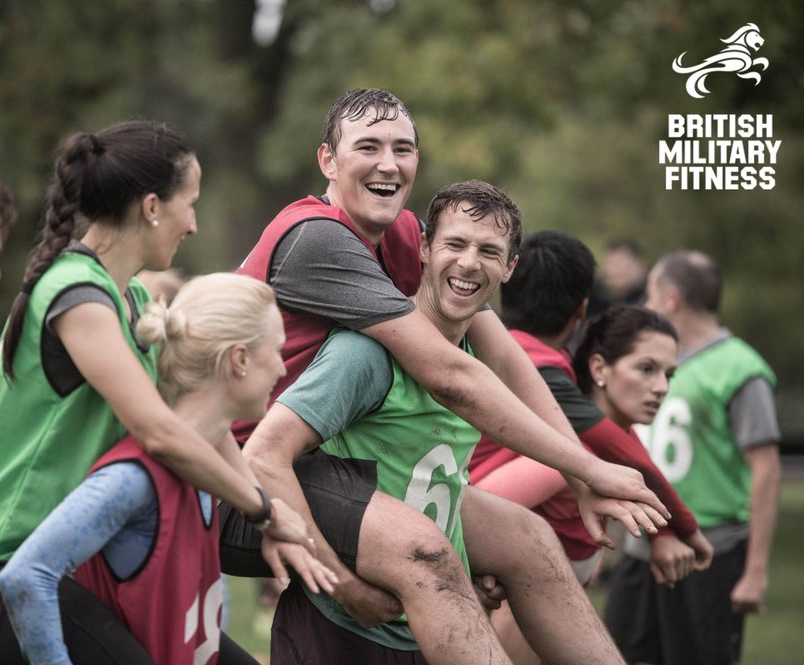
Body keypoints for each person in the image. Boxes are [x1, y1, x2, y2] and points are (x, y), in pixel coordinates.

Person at [228, 88, 668, 664]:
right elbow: (450, 375)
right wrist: (339, 581)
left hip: (318, 464)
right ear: (327, 161)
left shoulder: (404, 235)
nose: (389, 163)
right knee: (426, 552)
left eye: (402, 148)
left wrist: (581, 479)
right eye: (368, 147)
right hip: (228, 476)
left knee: (530, 540)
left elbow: (504, 355)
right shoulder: (318, 238)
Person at [0, 120, 313, 665]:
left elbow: (191, 421)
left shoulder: (125, 295)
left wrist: (265, 514)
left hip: (57, 565)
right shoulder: (74, 292)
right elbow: (158, 434)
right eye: (190, 203)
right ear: (152, 206)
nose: (195, 225)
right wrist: (263, 510)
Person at [0, 273, 335, 665]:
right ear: (239, 360)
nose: (281, 368)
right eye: (277, 351)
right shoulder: (135, 477)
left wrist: (267, 522)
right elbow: (25, 577)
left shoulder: (209, 471)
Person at [469, 232, 713, 664]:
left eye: (669, 374)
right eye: (646, 368)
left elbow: (619, 446)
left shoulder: (564, 404)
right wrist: (682, 527)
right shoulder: (553, 417)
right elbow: (473, 501)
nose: (660, 388)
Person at [603, 250, 782, 665]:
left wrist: (755, 573)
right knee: (610, 653)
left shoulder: (741, 368)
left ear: (671, 299)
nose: (644, 307)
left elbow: (767, 472)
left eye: (649, 296)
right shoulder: (654, 365)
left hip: (710, 554)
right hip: (641, 550)